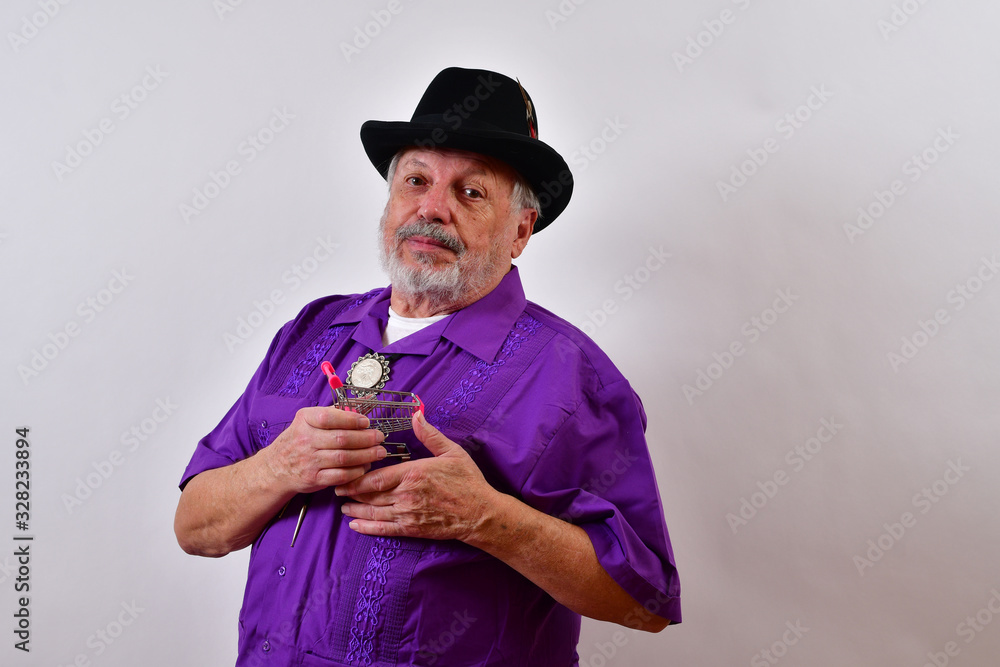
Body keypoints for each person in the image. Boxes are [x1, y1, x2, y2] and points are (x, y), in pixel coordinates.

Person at [174, 67, 681, 666]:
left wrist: (487, 519)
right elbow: (195, 527)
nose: (433, 209)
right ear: (391, 202)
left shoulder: (571, 379)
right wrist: (280, 467)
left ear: (520, 230)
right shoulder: (312, 332)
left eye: (471, 192)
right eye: (417, 180)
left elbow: (644, 604)